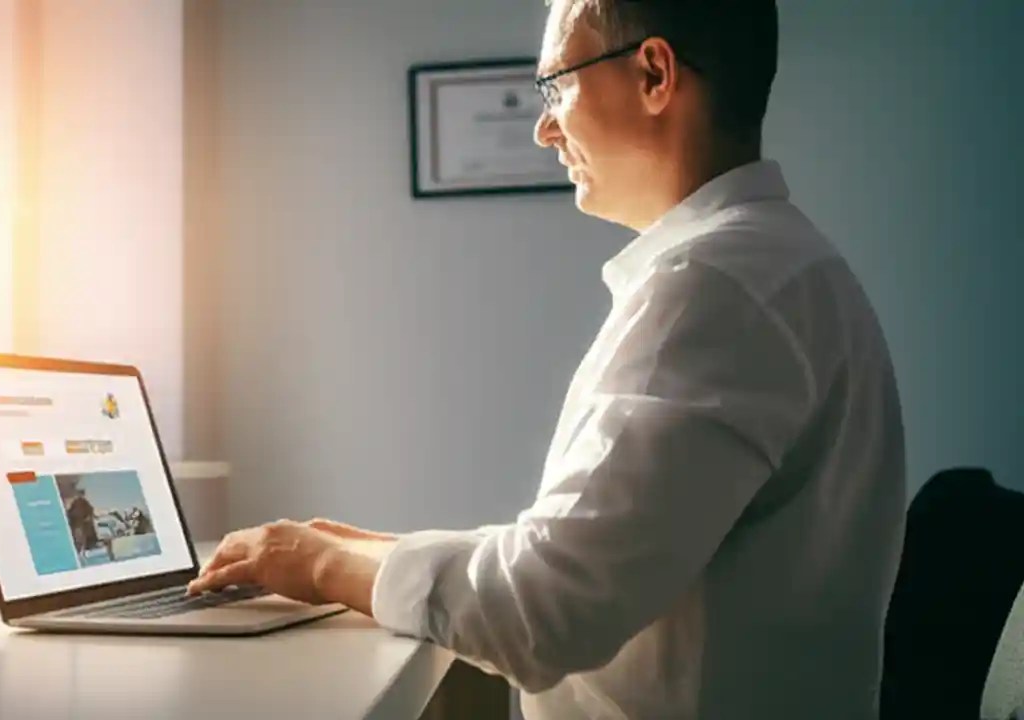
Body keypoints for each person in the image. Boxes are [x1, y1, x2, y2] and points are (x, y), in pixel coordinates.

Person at [188, 1, 905, 717]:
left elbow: (546, 610)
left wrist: (320, 566)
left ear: (654, 75)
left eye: (556, 85)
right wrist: (362, 553)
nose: (544, 127)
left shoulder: (715, 287)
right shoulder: (777, 268)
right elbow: (581, 554)